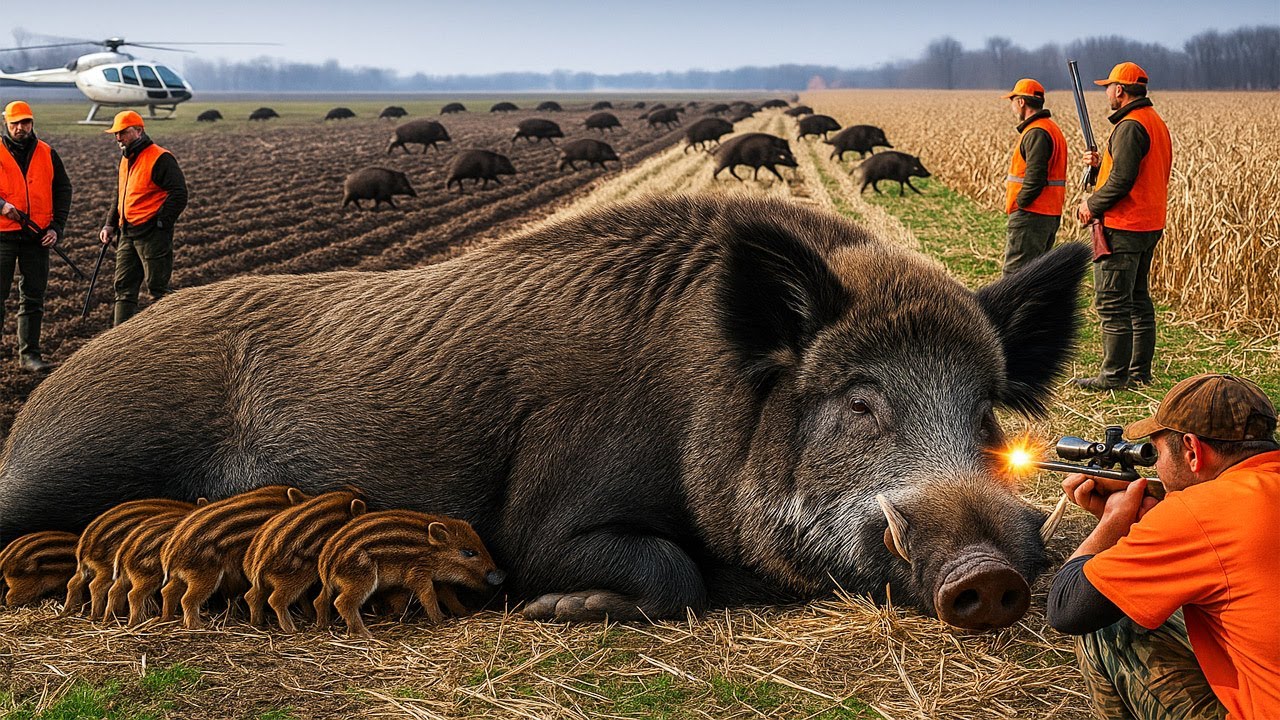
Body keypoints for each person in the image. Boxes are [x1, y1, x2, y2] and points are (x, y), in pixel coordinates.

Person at [1047, 373, 1280, 719]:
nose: (1154, 466)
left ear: (1192, 451)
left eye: (1154, 453)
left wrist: (1111, 525)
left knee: (1111, 626)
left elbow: (1068, 607)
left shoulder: (1198, 512)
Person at [1073, 62, 1172, 390]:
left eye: (1108, 87)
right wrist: (1102, 165)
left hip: (1124, 226)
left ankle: (1114, 377)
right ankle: (1139, 373)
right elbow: (1131, 170)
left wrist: (1091, 204)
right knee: (1138, 299)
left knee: (1113, 302)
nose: (1106, 93)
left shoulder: (1130, 126)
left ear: (1120, 90)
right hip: (1148, 224)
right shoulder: (1153, 121)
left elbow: (1123, 181)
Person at [0, 100, 72, 372]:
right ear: (6, 123)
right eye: (15, 123)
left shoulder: (47, 152)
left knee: (33, 299)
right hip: (2, 237)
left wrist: (56, 227)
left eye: (25, 122)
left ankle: (29, 356)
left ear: (32, 122)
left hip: (36, 237)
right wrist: (2, 206)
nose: (21, 128)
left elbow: (64, 189)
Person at [99, 110, 187, 326]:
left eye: (123, 133)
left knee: (158, 289)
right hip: (127, 233)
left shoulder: (160, 157)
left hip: (151, 234)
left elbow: (179, 193)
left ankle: (169, 338)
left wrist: (160, 224)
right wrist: (110, 224)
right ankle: (120, 343)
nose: (118, 138)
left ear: (138, 131)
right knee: (123, 288)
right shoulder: (127, 158)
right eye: (116, 134)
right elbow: (120, 193)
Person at [1001, 78, 1067, 275]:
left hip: (1031, 214)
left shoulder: (1036, 132)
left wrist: (1021, 203)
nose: (1012, 106)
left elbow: (1035, 176)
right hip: (1047, 212)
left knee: (1015, 276)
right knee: (1035, 277)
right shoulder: (1051, 128)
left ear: (1021, 102)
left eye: (1013, 101)